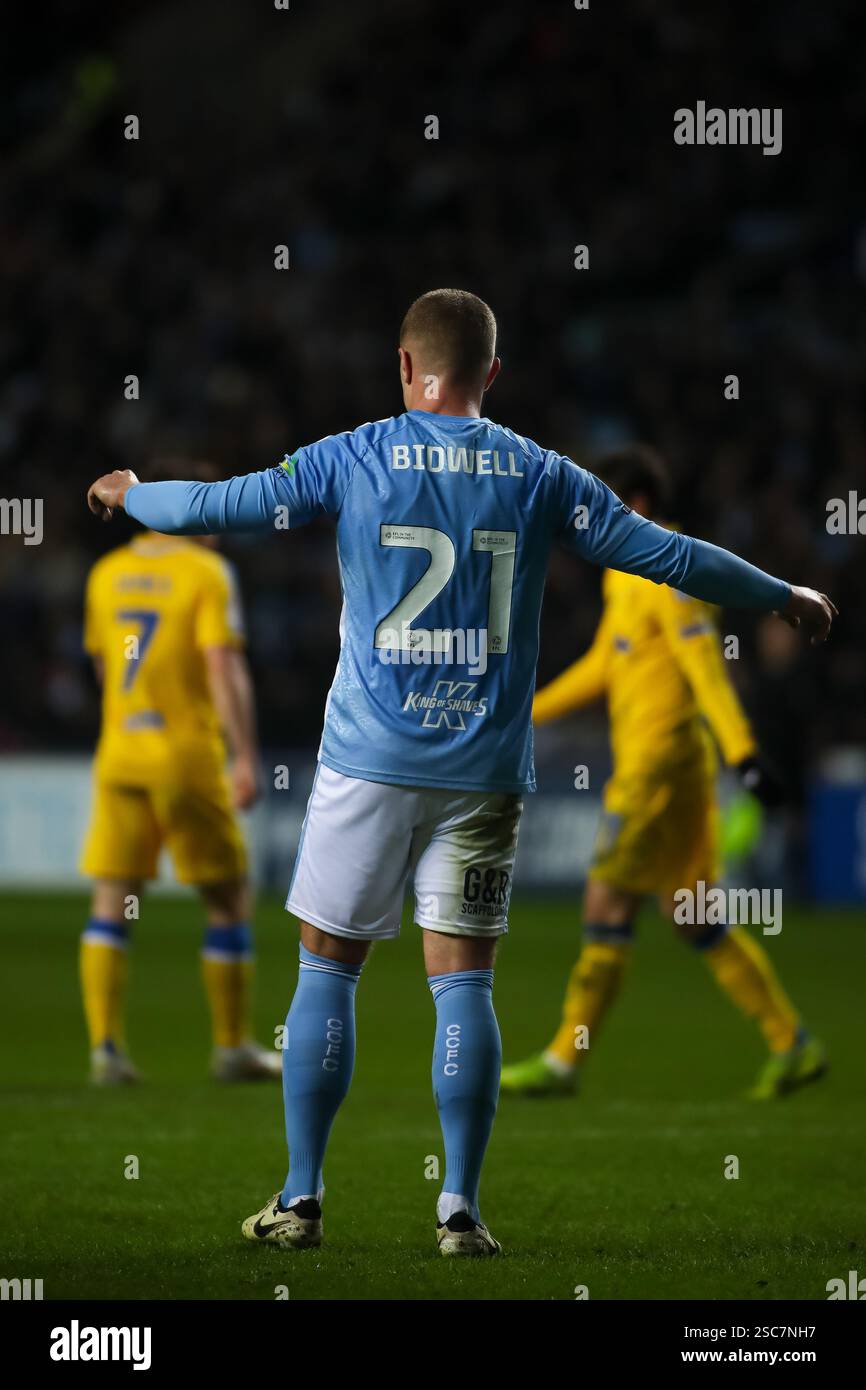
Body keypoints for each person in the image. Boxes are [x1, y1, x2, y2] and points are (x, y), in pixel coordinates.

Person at [85, 289, 835, 1256]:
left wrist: (128, 492)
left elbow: (215, 506)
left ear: (405, 367)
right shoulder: (539, 471)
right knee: (464, 985)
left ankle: (302, 1198)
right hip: (484, 773)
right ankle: (462, 1211)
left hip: (368, 764)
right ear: (492, 376)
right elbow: (670, 555)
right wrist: (784, 594)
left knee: (327, 965)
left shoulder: (352, 454)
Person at [500, 445, 826, 1103]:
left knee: (606, 902)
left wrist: (745, 755)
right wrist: (526, 713)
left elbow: (700, 659)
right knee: (693, 913)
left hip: (657, 768)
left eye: (602, 508)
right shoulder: (627, 573)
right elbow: (604, 663)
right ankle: (791, 1042)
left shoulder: (665, 567)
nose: (587, 523)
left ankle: (565, 1059)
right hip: (680, 770)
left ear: (635, 505)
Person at [80, 460, 280, 1085]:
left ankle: (106, 1049)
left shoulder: (107, 572)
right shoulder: (206, 574)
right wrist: (246, 755)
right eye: (209, 508)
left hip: (119, 752)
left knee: (113, 898)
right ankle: (230, 1046)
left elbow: (103, 670)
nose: (217, 526)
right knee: (227, 899)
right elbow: (223, 668)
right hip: (185, 757)